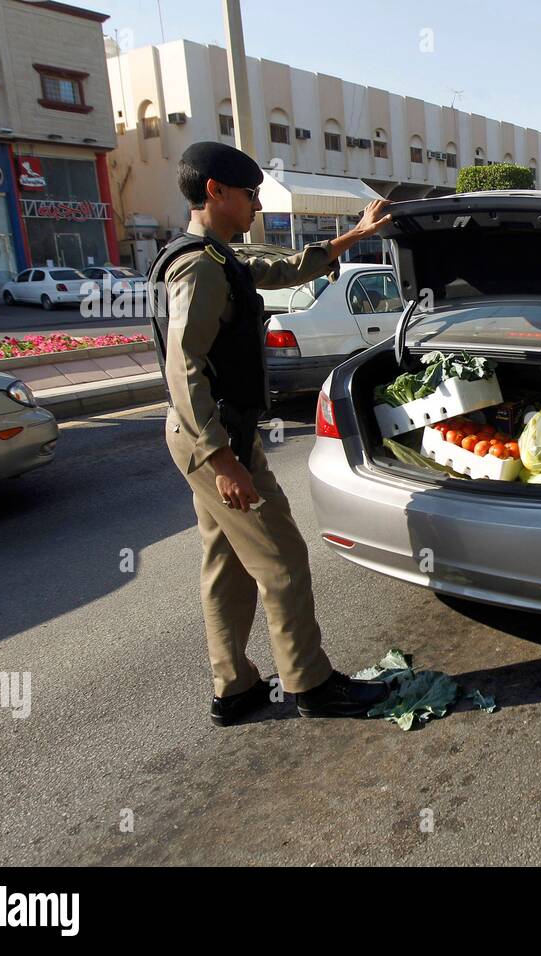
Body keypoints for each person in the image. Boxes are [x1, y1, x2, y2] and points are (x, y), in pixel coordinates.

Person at [152, 141, 393, 725]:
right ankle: (311, 685)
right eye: (250, 193)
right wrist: (223, 460)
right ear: (216, 191)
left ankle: (233, 688)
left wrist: (353, 237)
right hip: (214, 439)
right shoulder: (199, 269)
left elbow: (282, 269)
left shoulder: (216, 258)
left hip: (211, 434)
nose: (257, 204)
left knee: (226, 562)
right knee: (283, 558)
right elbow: (184, 372)